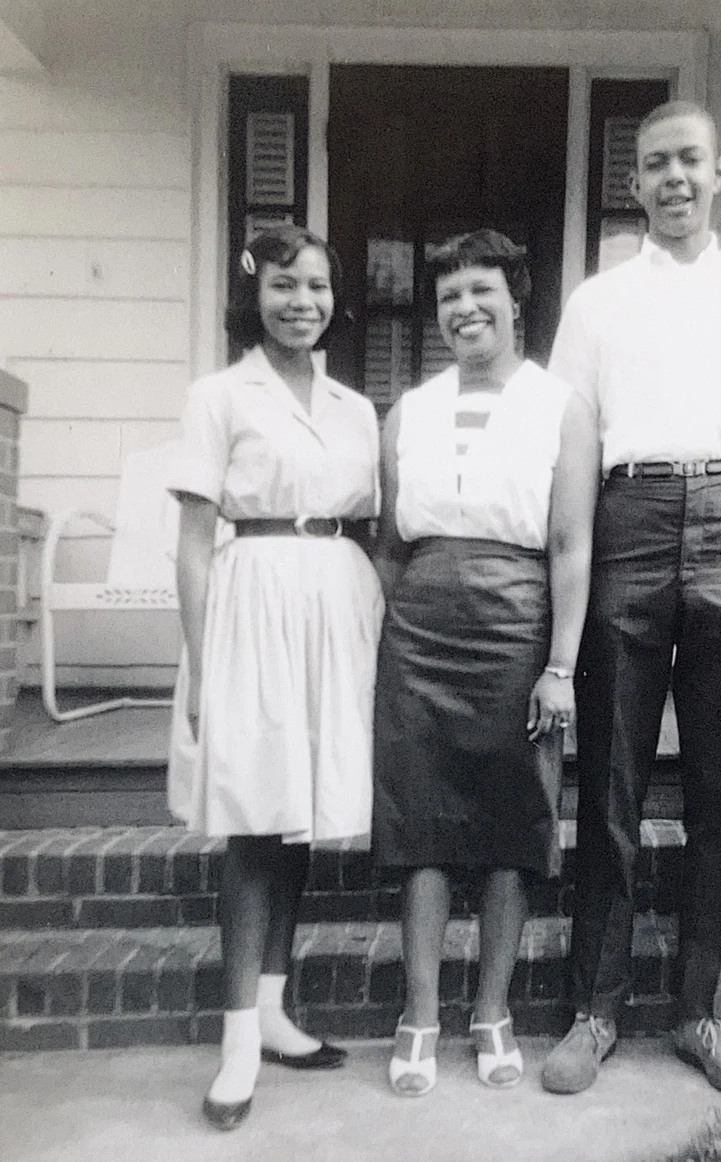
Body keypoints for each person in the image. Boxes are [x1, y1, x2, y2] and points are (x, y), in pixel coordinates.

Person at [540, 101, 721, 1099]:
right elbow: (575, 454)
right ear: (635, 184)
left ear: (719, 171)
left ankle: (704, 1012)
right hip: (631, 515)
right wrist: (571, 589)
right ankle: (596, 1009)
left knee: (719, 793)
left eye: (689, 160)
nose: (673, 179)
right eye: (655, 164)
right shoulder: (598, 304)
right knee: (611, 784)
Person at [372, 229, 599, 1096]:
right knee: (421, 825)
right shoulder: (410, 410)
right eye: (449, 297)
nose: (464, 310)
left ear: (516, 301)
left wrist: (560, 666)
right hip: (420, 631)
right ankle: (420, 1015)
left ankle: (492, 1011)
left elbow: (571, 544)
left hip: (516, 629)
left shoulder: (559, 406)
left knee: (512, 826)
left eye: (481, 292)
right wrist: (384, 637)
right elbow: (390, 544)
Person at [167, 225, 383, 1130]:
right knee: (255, 823)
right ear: (252, 296)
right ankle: (236, 1045)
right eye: (285, 285)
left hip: (336, 605)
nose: (303, 302)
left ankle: (274, 1011)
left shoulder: (355, 407)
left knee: (298, 817)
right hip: (251, 605)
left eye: (318, 286)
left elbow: (371, 527)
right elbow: (192, 543)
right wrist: (202, 663)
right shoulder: (218, 396)